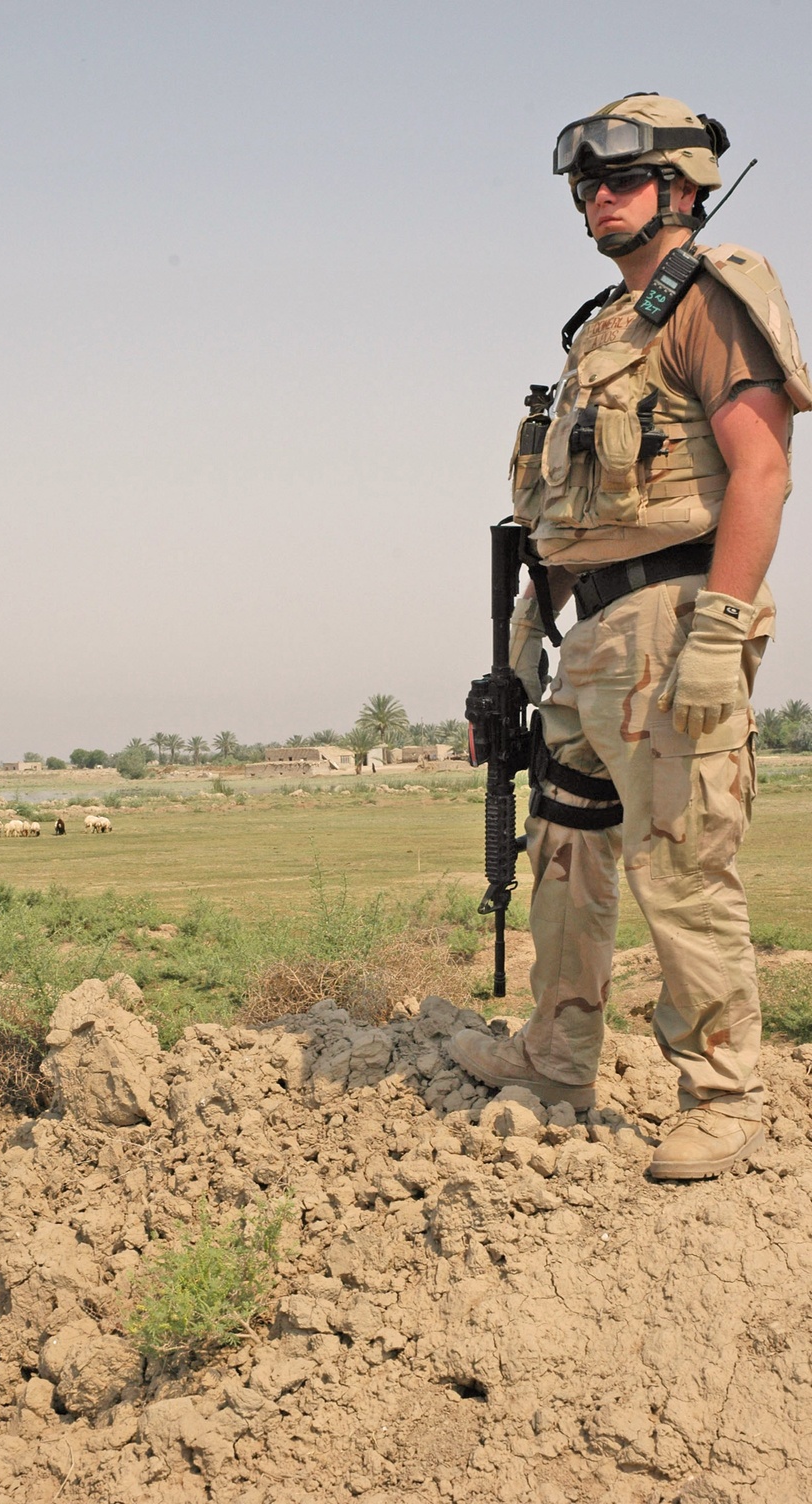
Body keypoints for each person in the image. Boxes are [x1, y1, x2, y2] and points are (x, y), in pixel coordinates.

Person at [451, 94, 809, 1179]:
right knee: (564, 852)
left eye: (622, 180)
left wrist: (720, 633)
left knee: (680, 865)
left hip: (670, 622)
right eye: (586, 186)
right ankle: (557, 1054)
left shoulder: (713, 295)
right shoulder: (601, 331)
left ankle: (723, 1093)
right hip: (592, 634)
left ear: (683, 190)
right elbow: (566, 519)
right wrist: (521, 647)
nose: (597, 200)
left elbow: (762, 468)